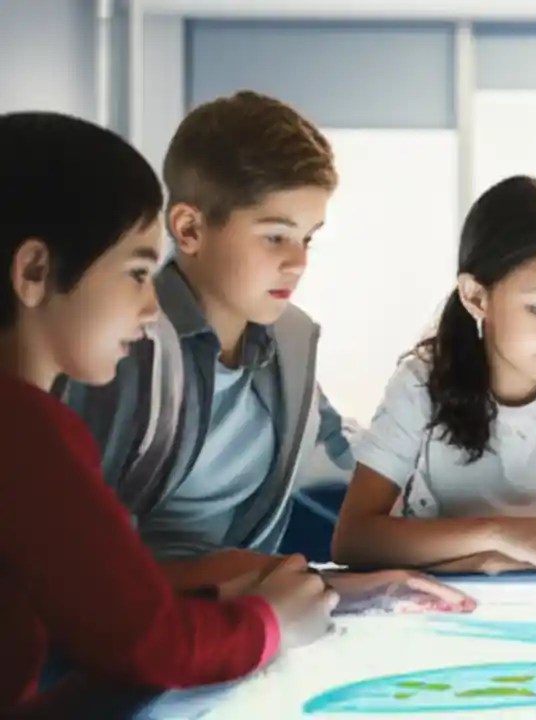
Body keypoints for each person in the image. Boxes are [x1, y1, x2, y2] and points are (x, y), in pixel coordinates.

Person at [60, 91, 473, 612]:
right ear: (189, 229)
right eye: (275, 237)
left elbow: (355, 459)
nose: (298, 262)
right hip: (130, 634)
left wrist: (488, 527)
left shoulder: (289, 341)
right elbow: (74, 561)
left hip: (244, 622)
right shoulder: (124, 345)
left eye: (308, 238)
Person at [0, 111, 335, 714]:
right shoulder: (26, 431)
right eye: (135, 272)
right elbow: (139, 634)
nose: (153, 304)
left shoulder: (289, 345)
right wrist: (268, 623)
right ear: (34, 273)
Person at [332, 176, 536, 578]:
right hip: (433, 597)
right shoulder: (421, 382)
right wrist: (499, 534)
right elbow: (354, 538)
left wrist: (523, 556)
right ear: (477, 296)